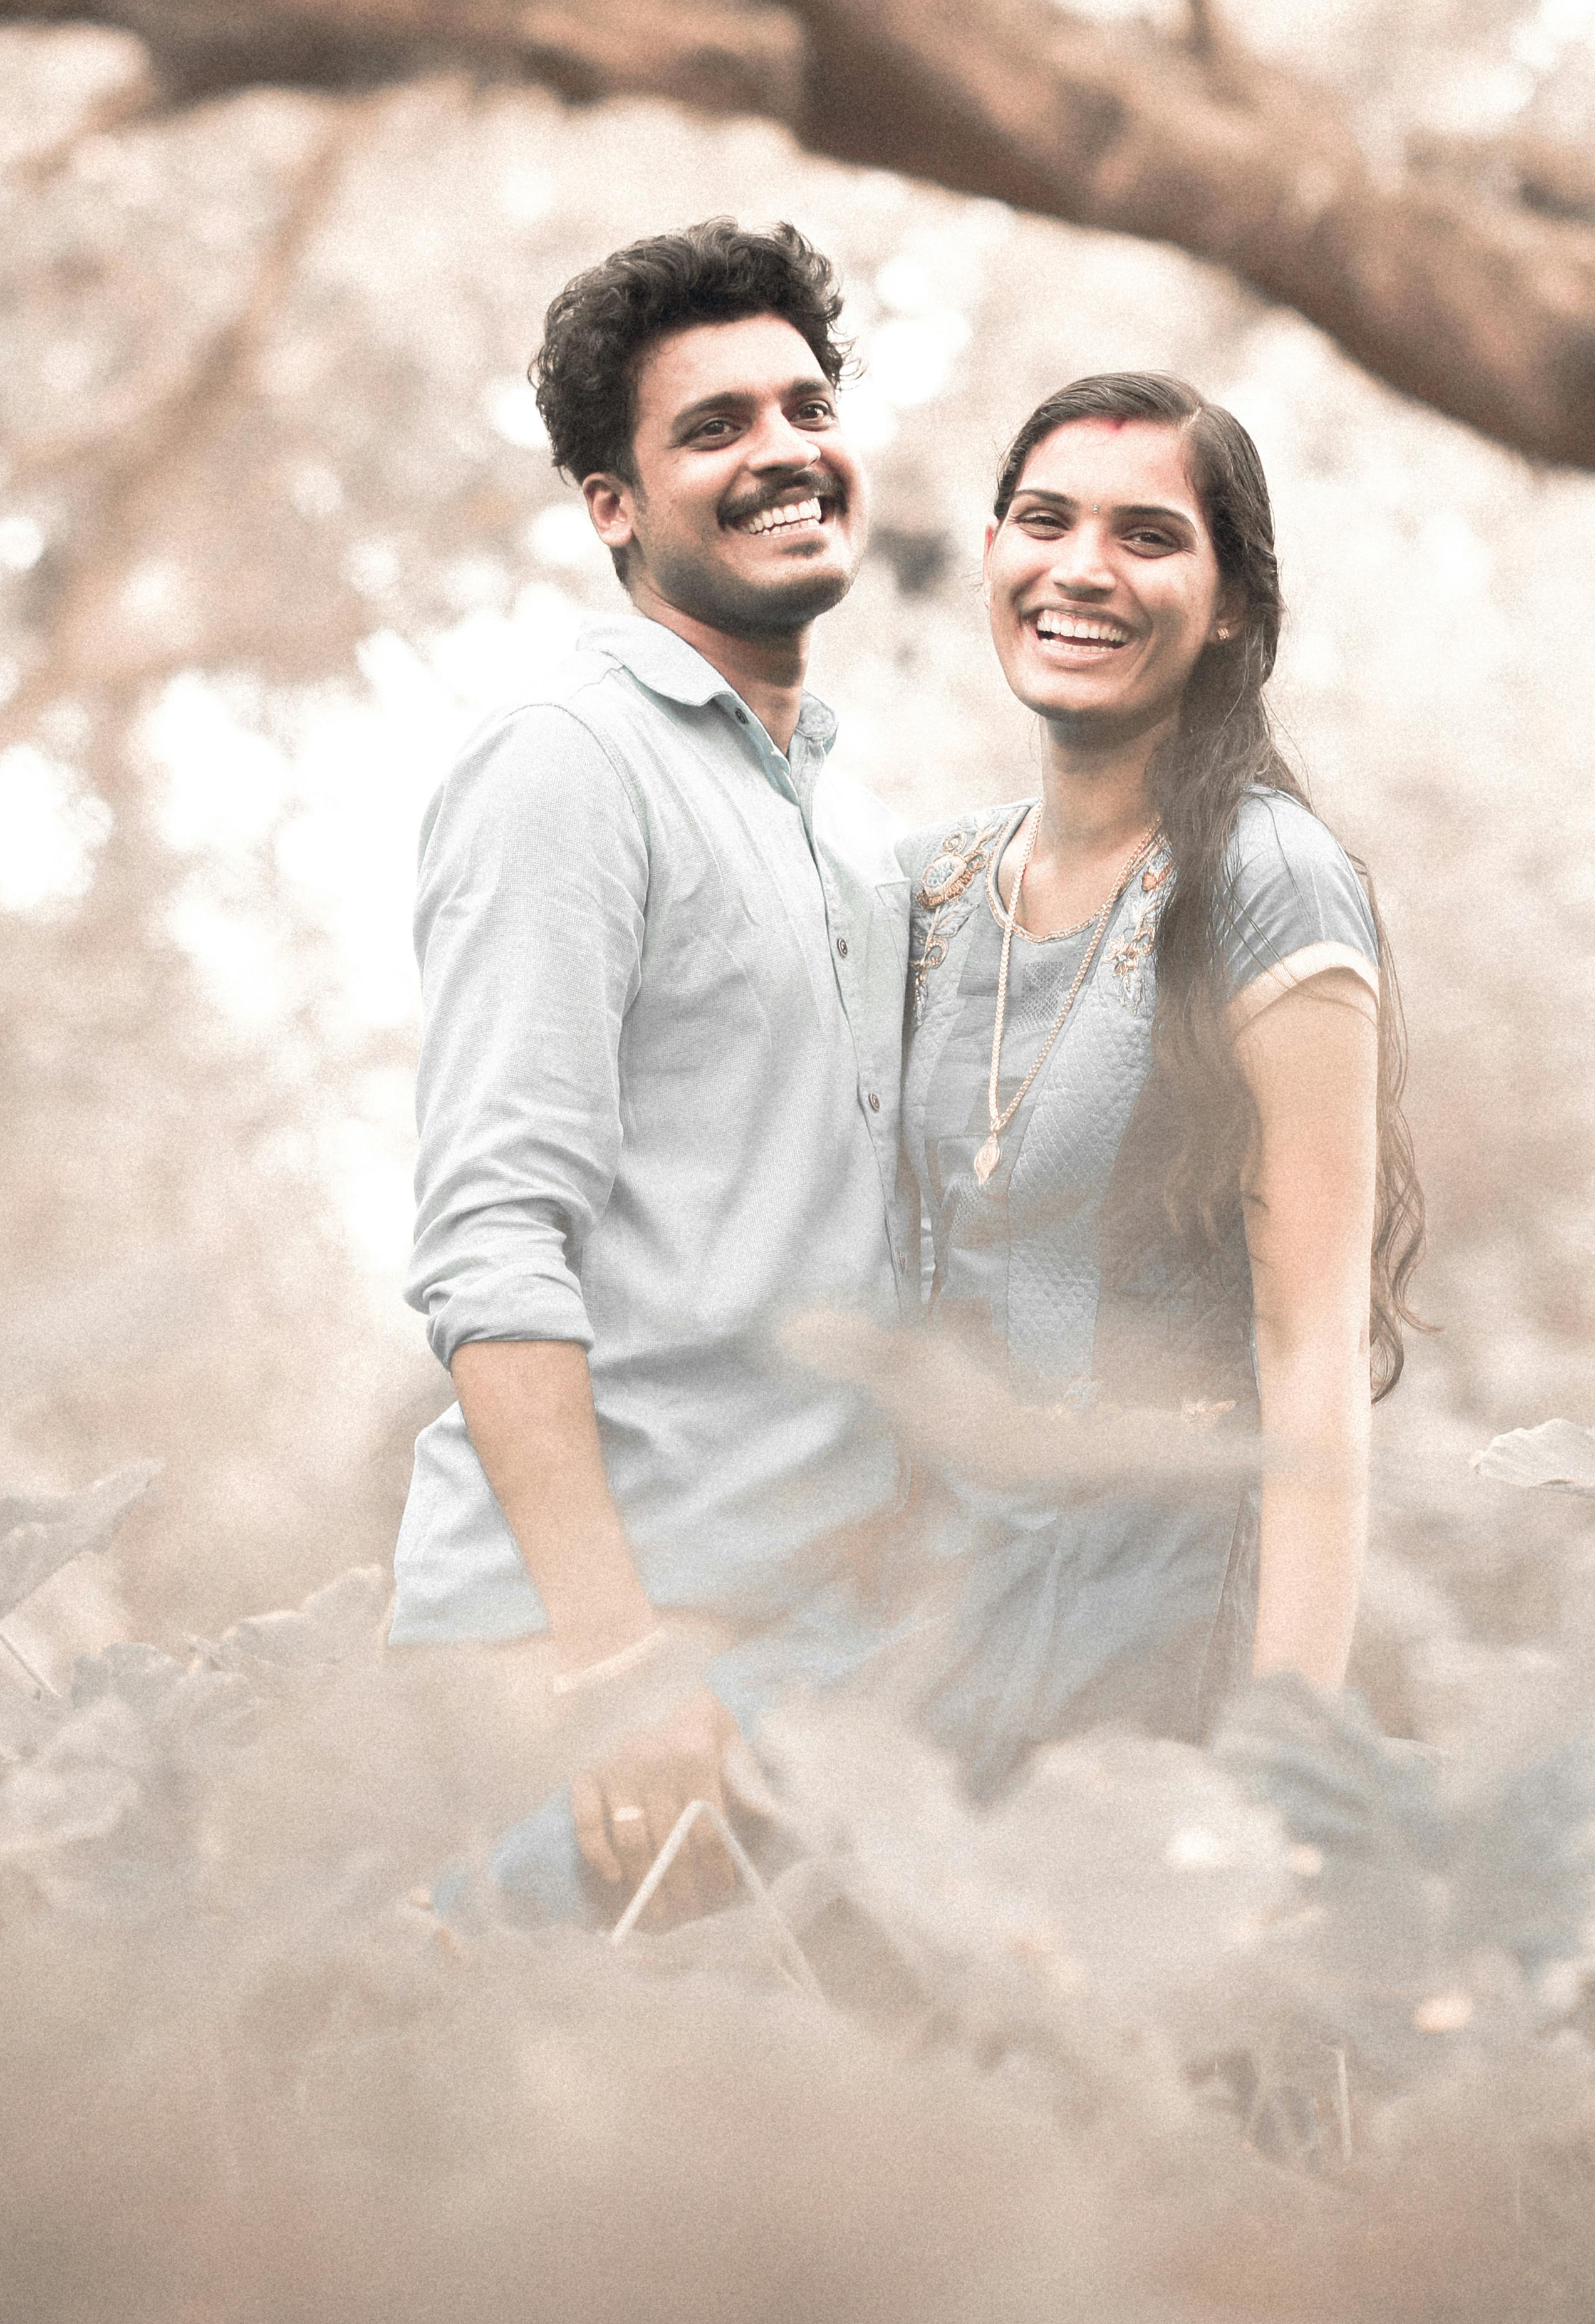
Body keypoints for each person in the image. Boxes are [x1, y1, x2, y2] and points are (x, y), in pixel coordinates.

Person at [391, 218, 910, 1923]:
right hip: (609, 1666)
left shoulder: (845, 817)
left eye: (807, 406)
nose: (785, 450)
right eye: (715, 427)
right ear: (611, 504)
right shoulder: (564, 767)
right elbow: (492, 1236)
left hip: (811, 1649)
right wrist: (614, 1663)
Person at [892, 371, 1423, 1795]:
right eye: (1045, 520)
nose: (1082, 568)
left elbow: (1312, 1348)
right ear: (993, 553)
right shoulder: (926, 890)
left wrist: (1281, 1758)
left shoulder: (1270, 886)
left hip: (1154, 1653)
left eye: (1147, 535)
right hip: (930, 1648)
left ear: (1233, 601)